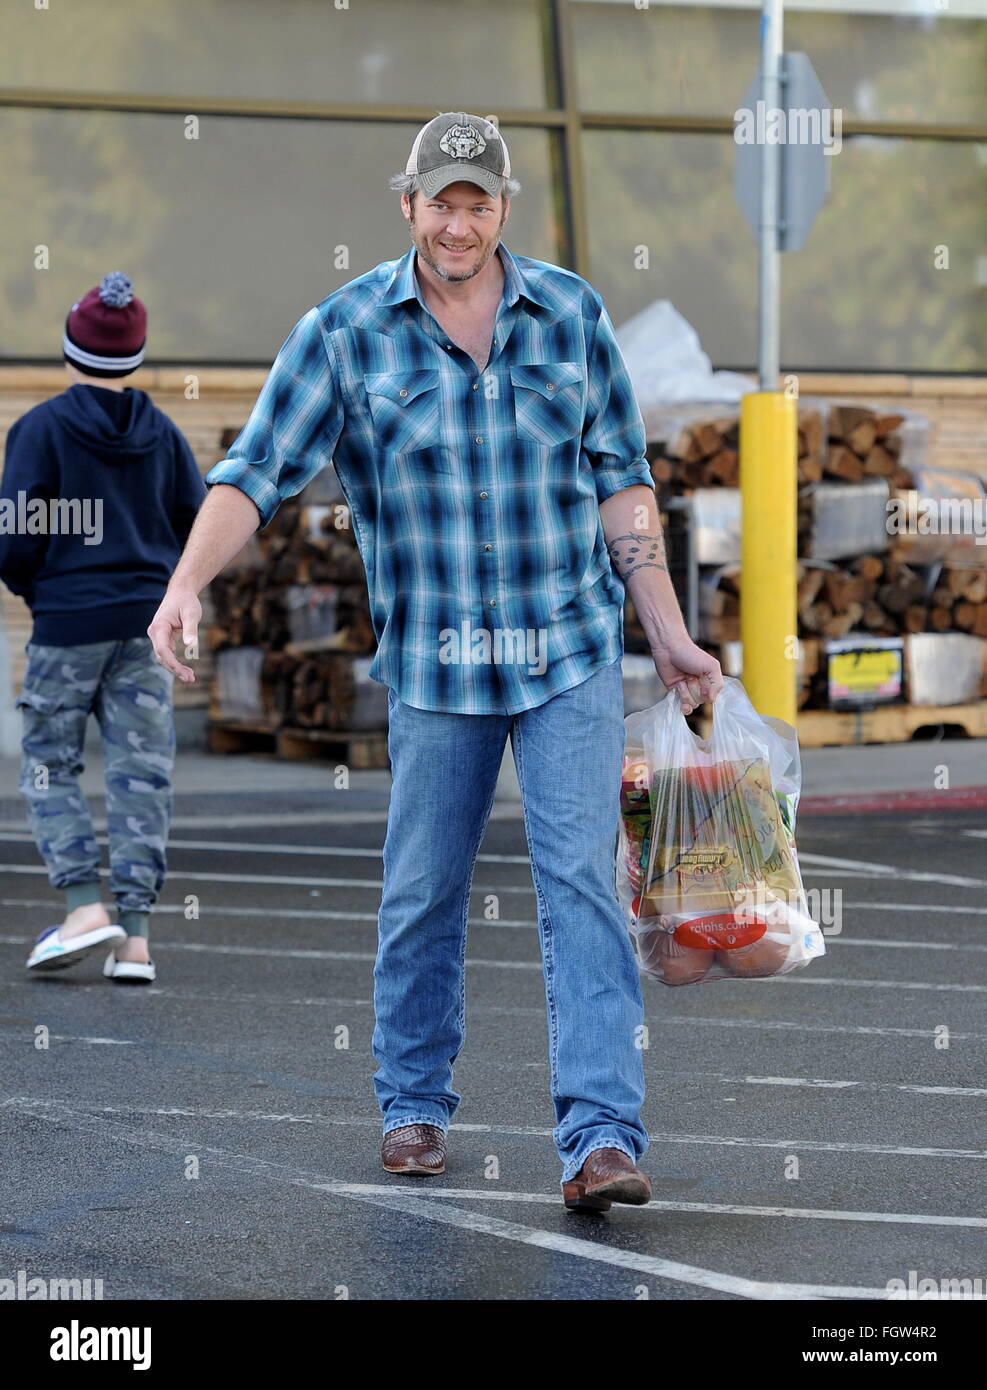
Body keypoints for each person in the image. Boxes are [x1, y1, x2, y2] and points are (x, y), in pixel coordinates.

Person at [147, 112, 723, 1209]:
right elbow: (255, 470)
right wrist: (185, 583)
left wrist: (663, 622)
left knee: (580, 890)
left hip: (567, 651)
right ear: (406, 202)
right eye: (441, 201)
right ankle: (413, 1104)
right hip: (438, 664)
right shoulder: (347, 330)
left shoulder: (573, 317)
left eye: (480, 201)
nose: (460, 222)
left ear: (504, 207)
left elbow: (622, 476)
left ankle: (600, 1138)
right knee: (422, 893)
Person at [0, 271, 206, 984]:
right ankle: (138, 941)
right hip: (147, 627)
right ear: (135, 355)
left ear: (70, 353)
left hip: (67, 624)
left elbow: (15, 540)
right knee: (141, 775)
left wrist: (43, 591)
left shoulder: (39, 430)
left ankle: (84, 907)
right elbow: (196, 527)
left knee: (50, 763)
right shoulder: (166, 435)